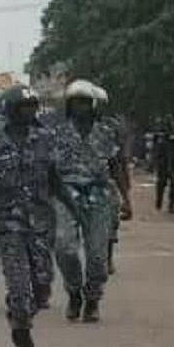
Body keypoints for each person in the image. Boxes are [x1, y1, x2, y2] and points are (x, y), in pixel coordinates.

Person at [0, 85, 69, 347]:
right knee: (18, 284)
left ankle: (22, 312)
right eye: (23, 107)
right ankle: (22, 332)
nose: (29, 112)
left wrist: (76, 210)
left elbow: (55, 180)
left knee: (42, 286)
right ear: (11, 110)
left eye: (32, 106)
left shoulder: (45, 139)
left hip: (41, 223)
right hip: (8, 224)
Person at [50, 81, 122, 323]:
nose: (81, 107)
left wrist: (126, 197)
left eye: (85, 102)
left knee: (98, 256)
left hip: (99, 195)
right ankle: (74, 292)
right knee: (64, 247)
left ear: (93, 105)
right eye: (76, 102)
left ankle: (92, 299)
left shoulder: (106, 133)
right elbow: (47, 168)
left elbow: (117, 166)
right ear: (69, 105)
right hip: (65, 194)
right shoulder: (57, 133)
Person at [91, 84, 132, 276]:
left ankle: (108, 257)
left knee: (111, 220)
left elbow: (119, 160)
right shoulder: (68, 130)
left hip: (105, 181)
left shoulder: (111, 127)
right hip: (77, 184)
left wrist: (126, 195)